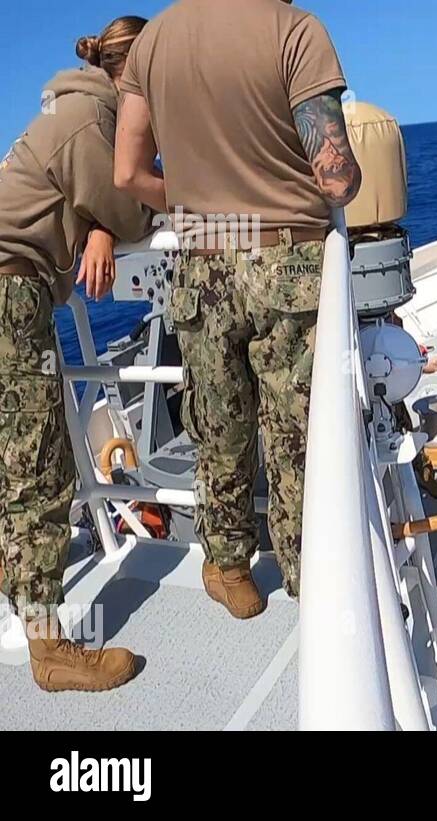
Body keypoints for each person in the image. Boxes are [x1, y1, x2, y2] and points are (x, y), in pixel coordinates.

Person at [115, 0, 363, 616]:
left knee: (220, 426)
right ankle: (315, 576)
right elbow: (336, 180)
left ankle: (228, 568)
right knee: (300, 438)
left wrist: (201, 202)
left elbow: (127, 172)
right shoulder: (294, 30)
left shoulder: (155, 39)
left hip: (202, 264)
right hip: (288, 264)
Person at [0, 16, 158, 692]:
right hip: (12, 294)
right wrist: (106, 222)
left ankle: (21, 595)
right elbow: (135, 204)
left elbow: (99, 192)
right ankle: (50, 650)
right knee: (39, 470)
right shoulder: (93, 122)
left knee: (12, 455)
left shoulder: (69, 112)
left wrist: (93, 219)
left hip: (15, 290)